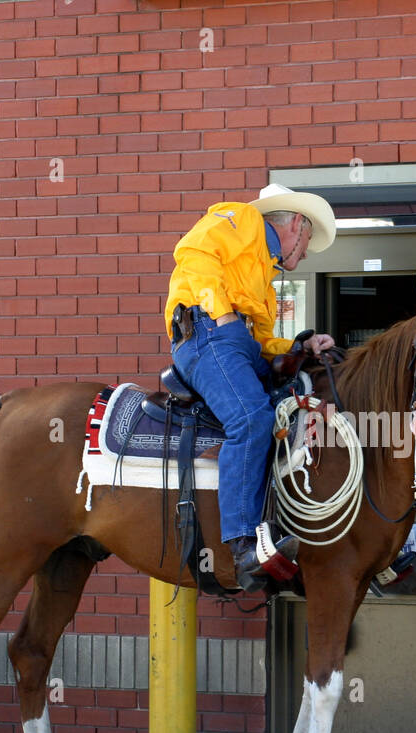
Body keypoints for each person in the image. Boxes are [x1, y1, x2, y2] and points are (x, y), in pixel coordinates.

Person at [163, 184, 337, 591]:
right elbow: (194, 254)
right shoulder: (242, 219)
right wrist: (221, 314)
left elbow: (260, 343)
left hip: (234, 345)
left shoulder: (265, 276)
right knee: (250, 419)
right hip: (207, 335)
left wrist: (301, 345)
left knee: (296, 408)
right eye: (308, 240)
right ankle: (243, 548)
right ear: (296, 224)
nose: (306, 252)